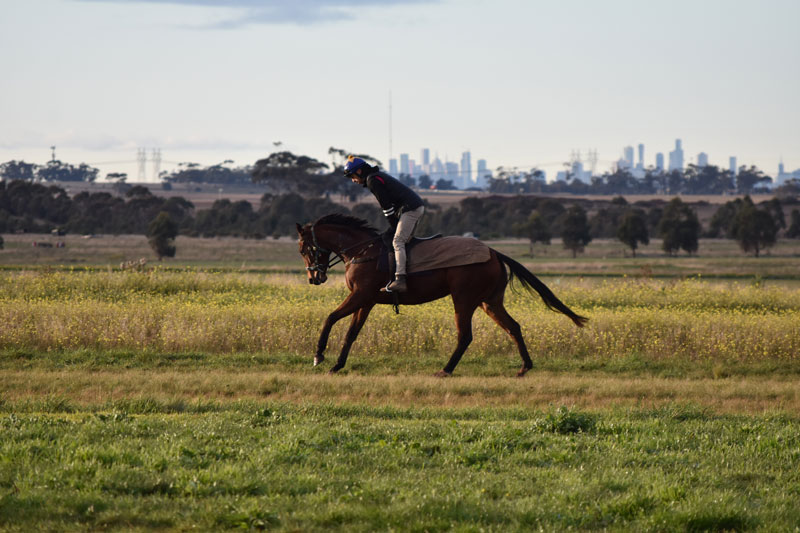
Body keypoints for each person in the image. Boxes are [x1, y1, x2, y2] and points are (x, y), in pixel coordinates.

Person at [344, 156, 424, 292]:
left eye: (352, 176)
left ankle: (400, 280)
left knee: (398, 241)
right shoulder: (374, 177)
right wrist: (393, 224)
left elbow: (386, 207)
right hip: (409, 208)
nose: (353, 180)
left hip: (410, 209)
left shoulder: (372, 180)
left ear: (359, 171)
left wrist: (393, 224)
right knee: (391, 237)